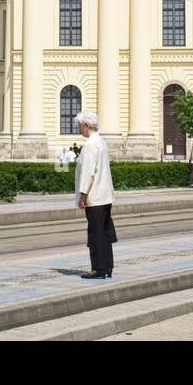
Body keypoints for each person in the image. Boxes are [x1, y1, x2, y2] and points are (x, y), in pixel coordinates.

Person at [74, 110, 115, 280]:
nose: (79, 129)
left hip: (95, 196)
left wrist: (83, 194)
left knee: (96, 233)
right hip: (105, 196)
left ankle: (98, 268)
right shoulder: (101, 142)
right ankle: (107, 266)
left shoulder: (91, 145)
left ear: (86, 125)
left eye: (79, 126)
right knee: (105, 232)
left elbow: (88, 173)